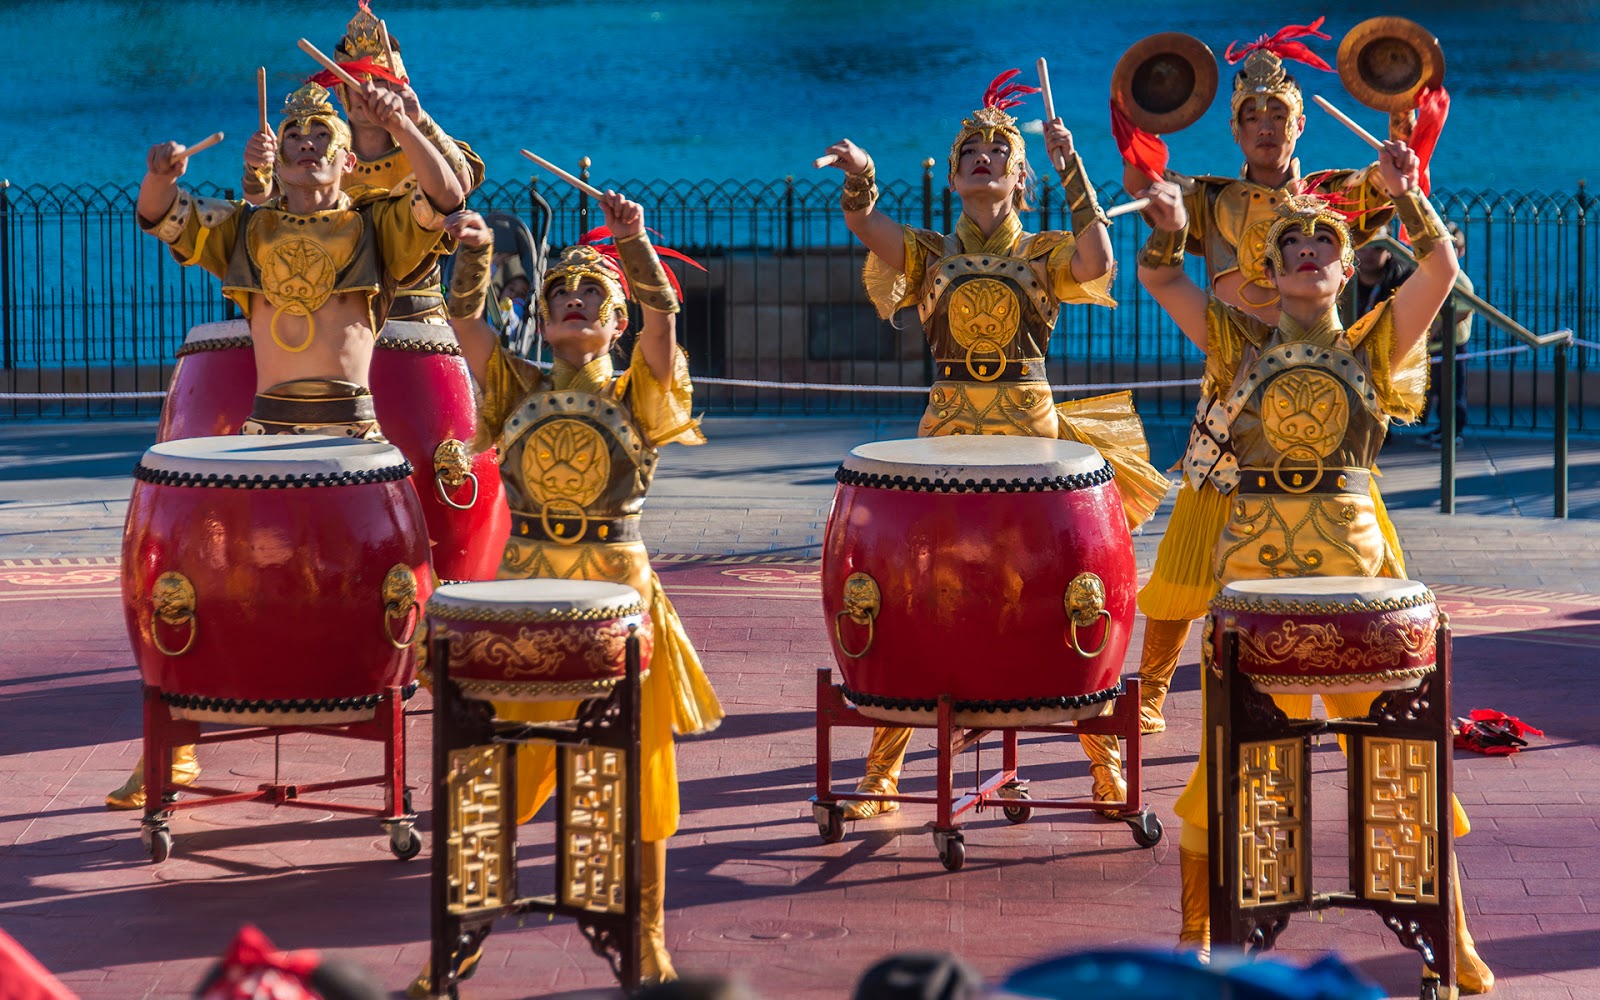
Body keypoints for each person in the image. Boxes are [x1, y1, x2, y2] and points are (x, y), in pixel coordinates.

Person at [1137, 141, 1493, 993]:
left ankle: (1451, 937)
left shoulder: (1375, 348)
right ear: (1267, 268)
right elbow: (1166, 281)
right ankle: (1203, 940)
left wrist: (1407, 198)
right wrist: (1168, 230)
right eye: (1291, 242)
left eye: (1323, 243)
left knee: (1406, 760)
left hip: (1357, 571)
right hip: (1254, 580)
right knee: (1228, 766)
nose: (1307, 251)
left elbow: (1441, 265)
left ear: (1345, 266)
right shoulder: (1236, 342)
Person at [819, 70, 1171, 820]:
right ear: (952, 177)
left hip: (1028, 432)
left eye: (999, 150)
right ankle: (881, 778)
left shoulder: (1044, 251)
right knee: (917, 593)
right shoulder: (925, 254)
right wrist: (863, 177)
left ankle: (1103, 766)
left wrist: (1074, 168)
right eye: (970, 151)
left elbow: (1099, 263)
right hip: (946, 428)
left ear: (1021, 177)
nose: (983, 157)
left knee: (1059, 592)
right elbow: (866, 225)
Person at [106, 79, 462, 811]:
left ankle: (384, 745)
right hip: (267, 440)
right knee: (221, 594)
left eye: (322, 138)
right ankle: (175, 749)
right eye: (296, 137)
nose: (306, 145)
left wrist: (405, 126)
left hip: (353, 441)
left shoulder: (376, 229)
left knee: (370, 600)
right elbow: (161, 217)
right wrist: (159, 176)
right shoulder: (249, 230)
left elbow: (449, 195)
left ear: (345, 163)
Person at [406, 200, 724, 993]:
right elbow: (465, 326)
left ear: (614, 321)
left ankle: (645, 934)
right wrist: (474, 249)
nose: (571, 301)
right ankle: (457, 946)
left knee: (639, 779)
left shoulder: (638, 395)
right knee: (482, 774)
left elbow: (663, 323)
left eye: (591, 296)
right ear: (542, 321)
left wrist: (633, 241)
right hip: (524, 599)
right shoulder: (514, 389)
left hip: (619, 601)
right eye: (557, 295)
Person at [1117, 22, 1406, 738]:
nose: (1266, 126)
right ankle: (1151, 690)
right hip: (1236, 384)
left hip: (1319, 390)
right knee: (1192, 541)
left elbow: (1397, 187)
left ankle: (1374, 690)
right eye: (1252, 114)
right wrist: (1134, 118)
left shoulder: (1333, 198)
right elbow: (1145, 184)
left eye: (1278, 113)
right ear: (1236, 128)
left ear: (1300, 122)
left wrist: (1404, 129)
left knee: (1348, 535)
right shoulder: (1210, 199)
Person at [244, 2, 484, 325]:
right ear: (341, 92)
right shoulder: (324, 158)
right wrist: (256, 165)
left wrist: (418, 120)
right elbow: (264, 199)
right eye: (356, 81)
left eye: (378, 81)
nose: (366, 92)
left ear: (398, 86)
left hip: (419, 314)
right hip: (340, 315)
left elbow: (460, 185)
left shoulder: (420, 150)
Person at [1422, 222, 1473, 446]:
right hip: (1434, 346)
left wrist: (1433, 329)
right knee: (1437, 391)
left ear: (1460, 252)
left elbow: (1463, 311)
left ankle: (1454, 432)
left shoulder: (1460, 281)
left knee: (1453, 391)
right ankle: (1442, 428)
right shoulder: (1429, 277)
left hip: (1452, 345)